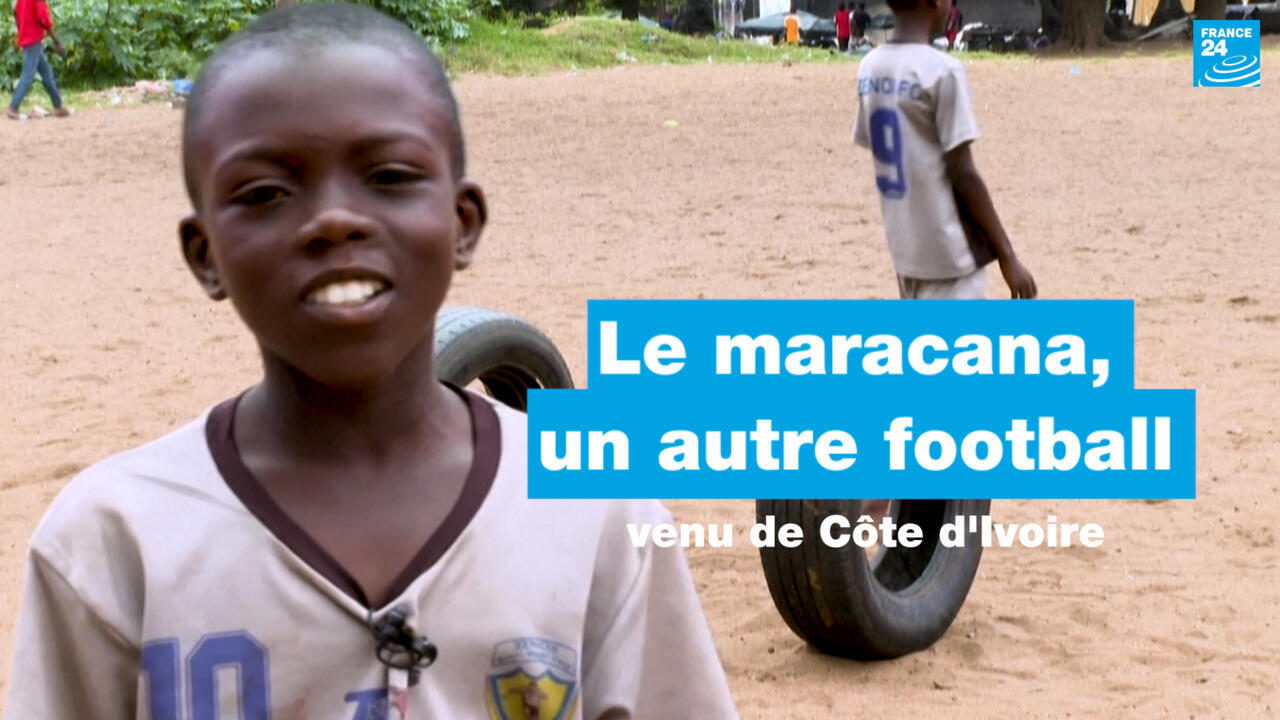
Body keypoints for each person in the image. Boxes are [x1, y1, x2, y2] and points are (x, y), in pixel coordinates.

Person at [3, 4, 741, 719]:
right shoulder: (110, 543)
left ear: (462, 223)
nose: (334, 220)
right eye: (264, 192)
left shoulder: (597, 512)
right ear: (205, 255)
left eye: (389, 177)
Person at [853, 0, 1036, 300]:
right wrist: (1008, 256)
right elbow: (963, 173)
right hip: (950, 257)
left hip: (905, 252)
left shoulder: (869, 68)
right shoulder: (942, 70)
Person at [7, 0, 69, 119]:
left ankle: (58, 106)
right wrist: (56, 42)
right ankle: (13, 107)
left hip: (26, 38)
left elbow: (15, 13)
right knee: (27, 75)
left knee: (47, 74)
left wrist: (21, 34)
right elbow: (43, 20)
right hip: (33, 40)